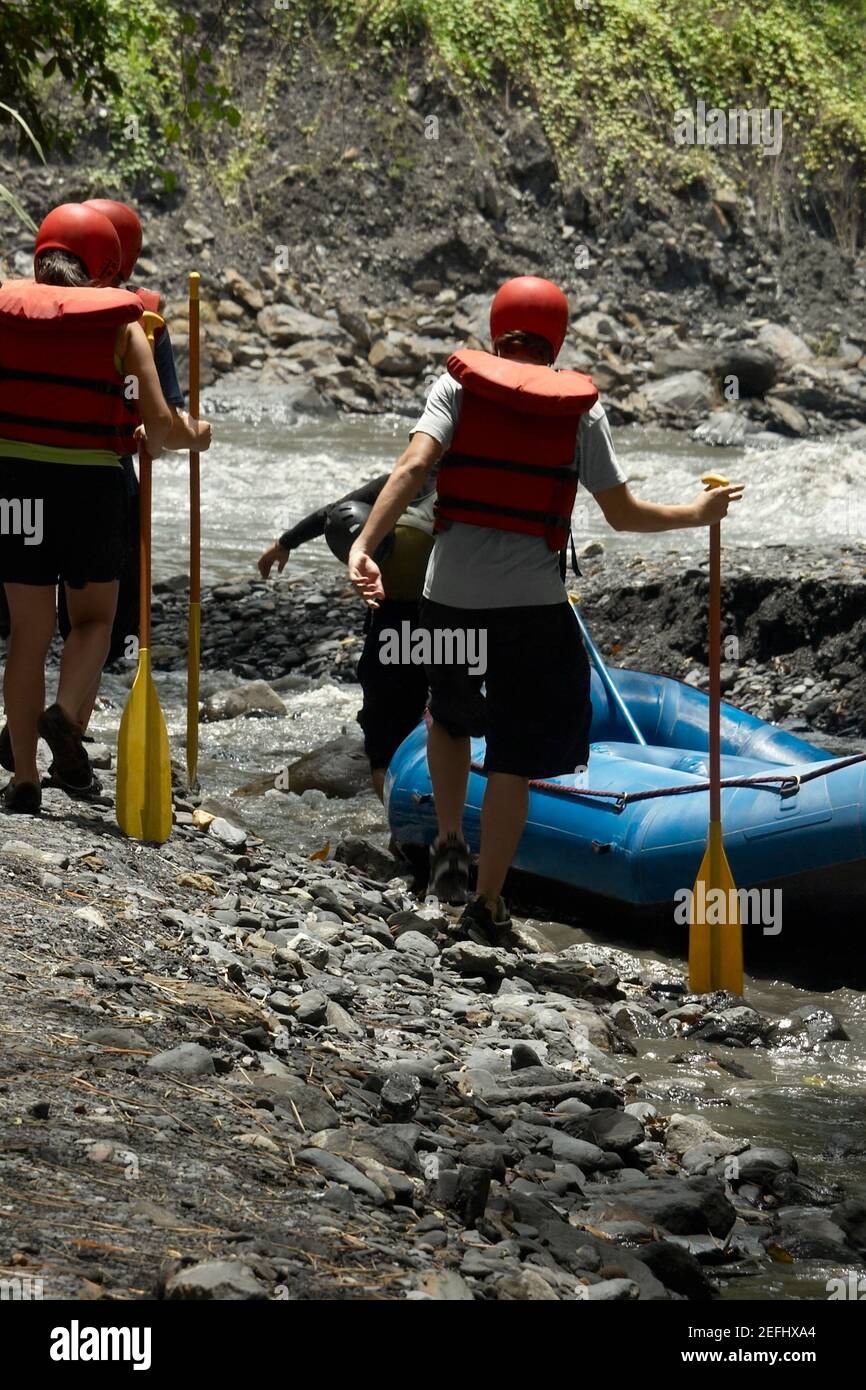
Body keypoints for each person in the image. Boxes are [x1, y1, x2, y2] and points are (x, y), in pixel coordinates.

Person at [347, 275, 744, 942]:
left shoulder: (457, 387)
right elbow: (622, 514)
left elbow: (412, 469)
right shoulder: (580, 412)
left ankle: (448, 843)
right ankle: (489, 903)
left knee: (446, 717)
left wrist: (364, 544)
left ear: (495, 330)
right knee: (514, 755)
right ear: (557, 338)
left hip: (449, 602)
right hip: (531, 611)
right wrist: (698, 513)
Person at [0, 197, 211, 782]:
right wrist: (201, 434)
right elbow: (163, 430)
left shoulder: (6, 313)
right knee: (93, 623)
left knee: (27, 633)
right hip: (93, 485)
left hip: (14, 484)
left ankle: (22, 781)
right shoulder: (123, 324)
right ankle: (66, 715)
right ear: (110, 265)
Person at [259, 472, 435, 798]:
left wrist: (285, 543)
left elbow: (334, 514)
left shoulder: (398, 483)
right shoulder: (474, 488)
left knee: (384, 743)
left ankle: (403, 831)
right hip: (453, 624)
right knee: (449, 725)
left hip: (394, 630)